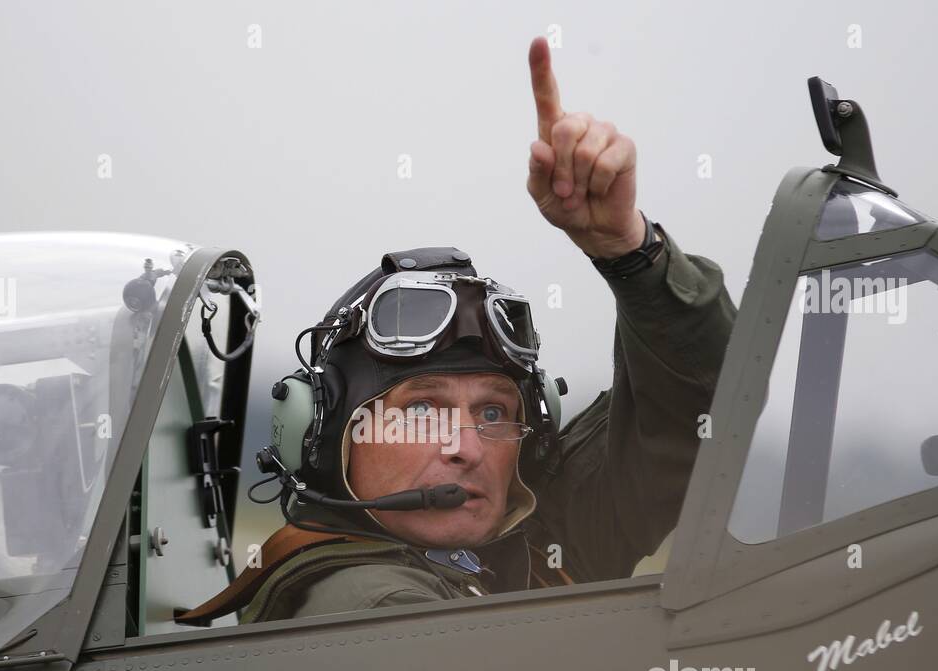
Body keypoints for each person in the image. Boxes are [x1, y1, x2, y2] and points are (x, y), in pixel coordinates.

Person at [176, 37, 736, 627]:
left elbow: (711, 403)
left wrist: (627, 248)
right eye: (421, 412)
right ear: (323, 433)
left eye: (494, 415)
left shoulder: (530, 551)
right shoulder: (372, 611)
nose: (464, 449)